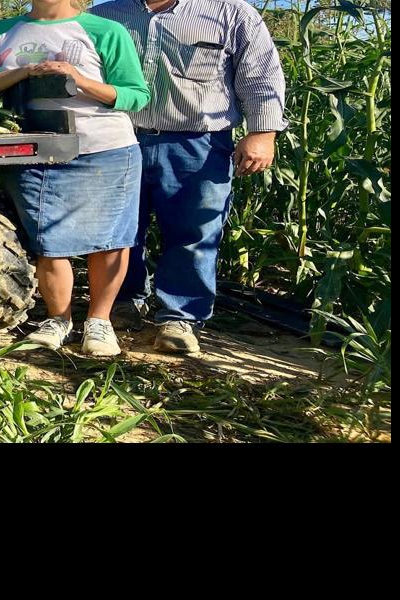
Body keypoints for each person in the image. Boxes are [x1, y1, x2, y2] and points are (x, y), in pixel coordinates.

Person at [0, 0, 151, 357]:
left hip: (103, 150)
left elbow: (135, 95)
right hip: (29, 150)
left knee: (109, 240)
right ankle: (58, 319)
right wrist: (24, 73)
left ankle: (99, 322)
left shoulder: (106, 31)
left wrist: (77, 79)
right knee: (48, 238)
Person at [91, 0, 287, 353]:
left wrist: (263, 132)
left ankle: (179, 318)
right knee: (117, 229)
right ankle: (123, 304)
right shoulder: (103, 14)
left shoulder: (230, 12)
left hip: (197, 142)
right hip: (116, 137)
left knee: (195, 231)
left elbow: (261, 74)